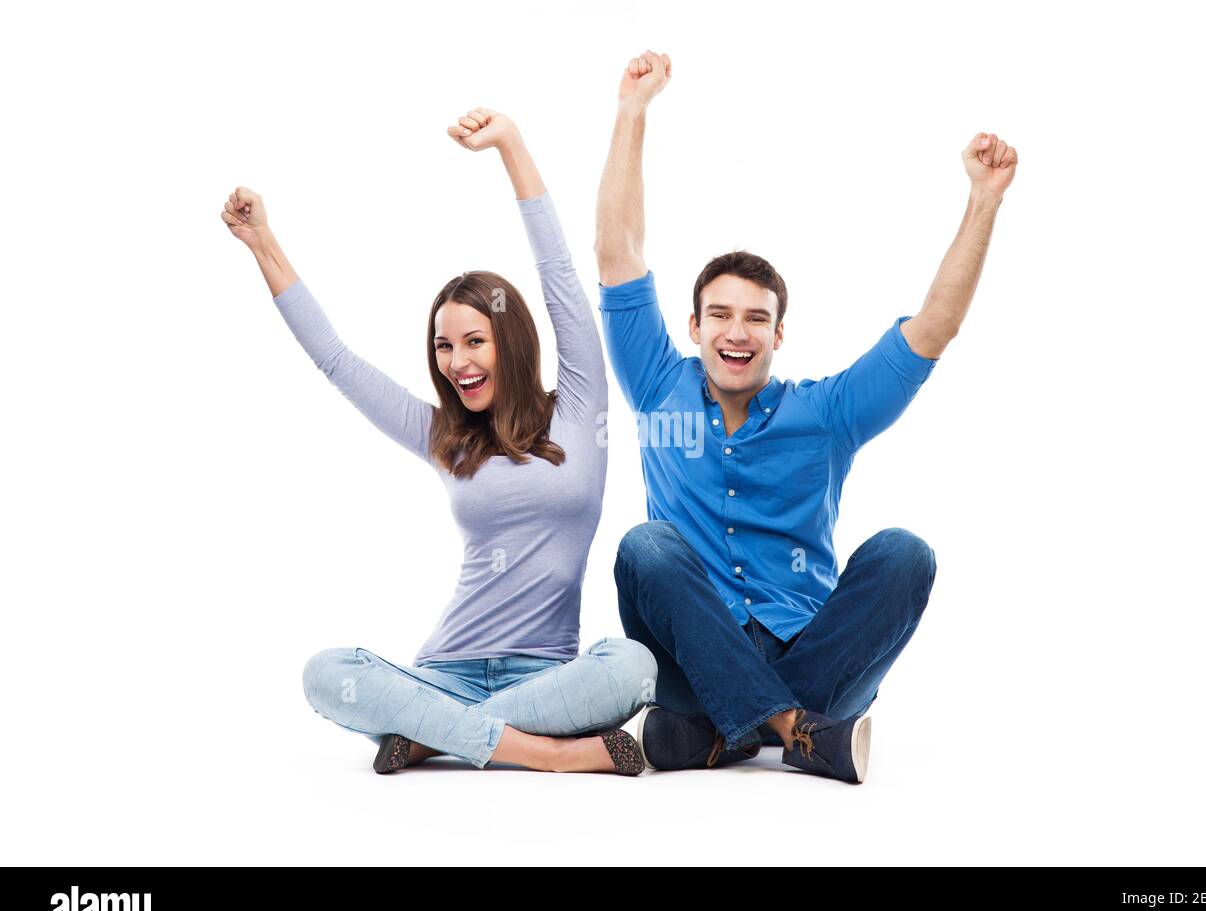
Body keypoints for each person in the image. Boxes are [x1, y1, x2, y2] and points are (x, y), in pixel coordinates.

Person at [595, 52, 1018, 783]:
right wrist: (633, 112)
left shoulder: (826, 413)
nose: (738, 331)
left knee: (905, 552)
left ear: (778, 334)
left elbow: (933, 329)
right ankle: (798, 732)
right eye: (720, 315)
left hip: (812, 655)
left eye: (756, 318)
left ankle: (719, 736)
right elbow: (616, 251)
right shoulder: (659, 384)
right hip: (695, 658)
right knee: (646, 545)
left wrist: (984, 198)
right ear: (693, 325)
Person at [222, 107, 656, 776]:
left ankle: (431, 739)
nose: (457, 362)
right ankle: (549, 756)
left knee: (632, 668)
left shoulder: (578, 405)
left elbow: (560, 276)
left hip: (544, 679)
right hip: (443, 673)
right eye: (444, 346)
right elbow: (337, 361)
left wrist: (511, 144)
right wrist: (263, 244)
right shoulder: (447, 438)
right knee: (325, 673)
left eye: (474, 341)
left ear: (508, 342)